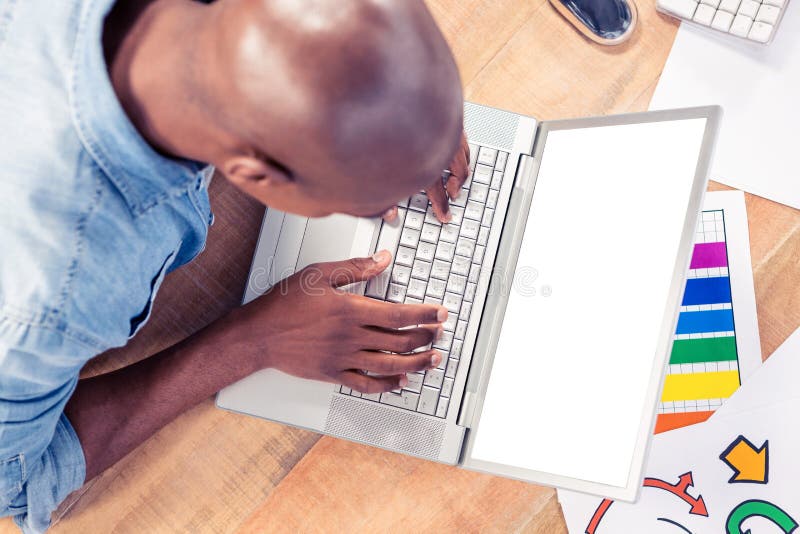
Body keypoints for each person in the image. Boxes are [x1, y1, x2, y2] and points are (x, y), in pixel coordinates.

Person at [0, 0, 469, 531]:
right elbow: (15, 480)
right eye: (364, 203)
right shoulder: (55, 289)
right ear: (256, 172)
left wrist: (407, 104)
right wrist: (253, 340)